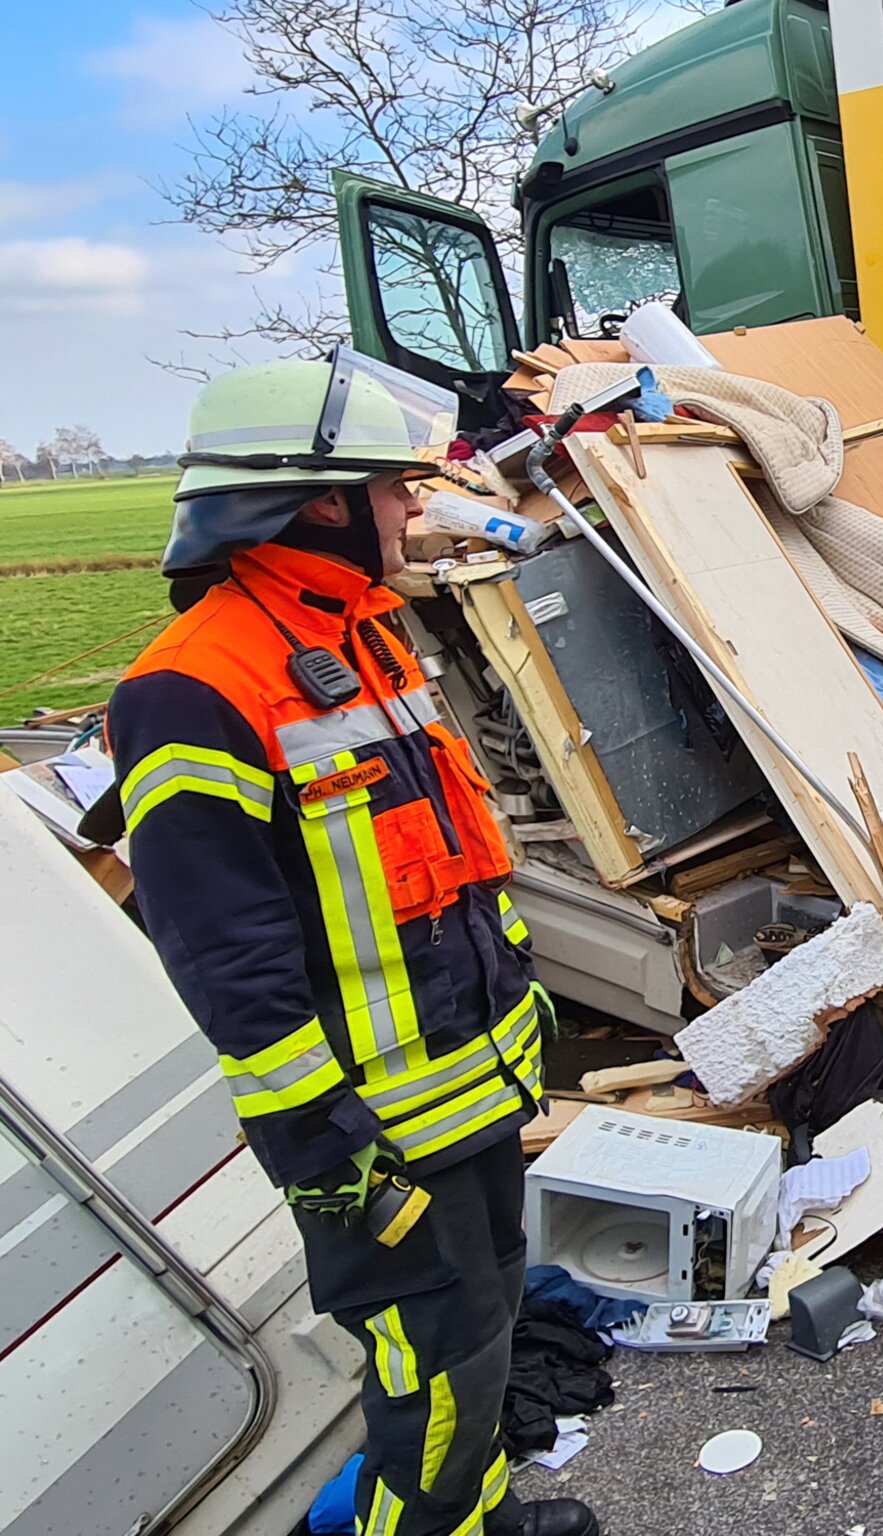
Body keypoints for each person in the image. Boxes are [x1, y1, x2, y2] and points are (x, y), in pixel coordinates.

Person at [108, 352, 599, 1536]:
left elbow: (444, 867)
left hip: (464, 1089)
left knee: (476, 1348)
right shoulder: (191, 687)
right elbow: (227, 955)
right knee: (429, 1377)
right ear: (316, 499)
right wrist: (325, 1145)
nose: (411, 506)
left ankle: (474, 1518)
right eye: (390, 487)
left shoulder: (358, 638)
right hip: (375, 1132)